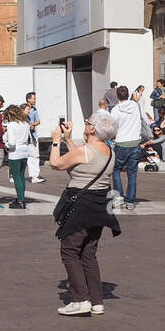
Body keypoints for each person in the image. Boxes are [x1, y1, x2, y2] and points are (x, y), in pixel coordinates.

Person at [49, 111, 120, 315]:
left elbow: (57, 163)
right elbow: (81, 160)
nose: (86, 124)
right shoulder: (108, 151)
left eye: (88, 122)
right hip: (99, 206)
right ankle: (96, 300)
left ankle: (80, 300)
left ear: (93, 129)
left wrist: (56, 142)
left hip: (81, 207)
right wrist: (69, 139)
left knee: (69, 250)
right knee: (88, 252)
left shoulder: (85, 151)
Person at [110, 84, 149, 210]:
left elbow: (113, 127)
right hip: (135, 143)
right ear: (128, 95)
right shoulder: (135, 106)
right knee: (132, 173)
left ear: (117, 96)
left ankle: (119, 197)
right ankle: (130, 201)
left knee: (116, 170)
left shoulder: (115, 110)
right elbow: (143, 117)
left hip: (121, 143)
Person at [3, 104, 32, 209]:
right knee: (21, 176)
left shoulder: (11, 125)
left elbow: (11, 142)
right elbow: (28, 138)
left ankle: (20, 201)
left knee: (16, 177)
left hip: (15, 152)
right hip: (25, 150)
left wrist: (5, 145)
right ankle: (21, 198)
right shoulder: (25, 123)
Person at [24, 92, 46, 184]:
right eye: (34, 98)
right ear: (29, 99)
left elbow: (38, 121)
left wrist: (33, 124)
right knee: (31, 156)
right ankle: (33, 176)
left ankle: (36, 174)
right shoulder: (24, 109)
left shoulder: (34, 109)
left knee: (36, 156)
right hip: (27, 137)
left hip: (34, 135)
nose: (35, 100)